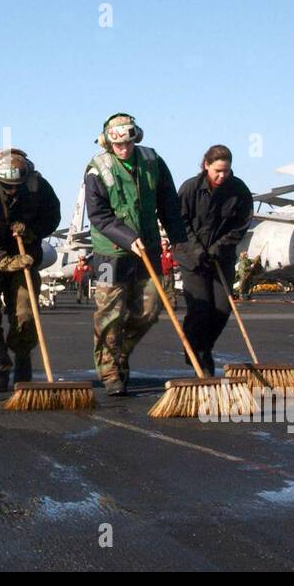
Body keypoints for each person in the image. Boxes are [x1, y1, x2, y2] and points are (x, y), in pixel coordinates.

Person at [84, 113, 187, 395]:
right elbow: (99, 216)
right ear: (108, 143)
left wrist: (178, 238)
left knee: (150, 310)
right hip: (109, 254)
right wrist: (129, 239)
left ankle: (120, 354)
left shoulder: (153, 161)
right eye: (118, 145)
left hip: (148, 250)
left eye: (129, 143)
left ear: (136, 137)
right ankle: (109, 370)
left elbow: (168, 202)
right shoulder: (97, 169)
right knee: (109, 312)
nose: (124, 149)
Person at [0, 148, 62, 391]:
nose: (13, 190)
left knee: (26, 314)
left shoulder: (39, 186)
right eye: (7, 185)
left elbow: (53, 216)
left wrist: (32, 230)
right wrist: (3, 261)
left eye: (18, 185)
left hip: (24, 257)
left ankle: (23, 357)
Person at [176, 145, 254, 375]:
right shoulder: (190, 189)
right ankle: (197, 354)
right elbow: (180, 222)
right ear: (206, 165)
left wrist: (219, 248)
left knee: (221, 309)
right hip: (192, 258)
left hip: (222, 257)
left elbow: (241, 224)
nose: (222, 176)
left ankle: (202, 347)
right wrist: (197, 249)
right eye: (218, 170)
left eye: (226, 171)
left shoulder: (239, 190)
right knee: (201, 309)